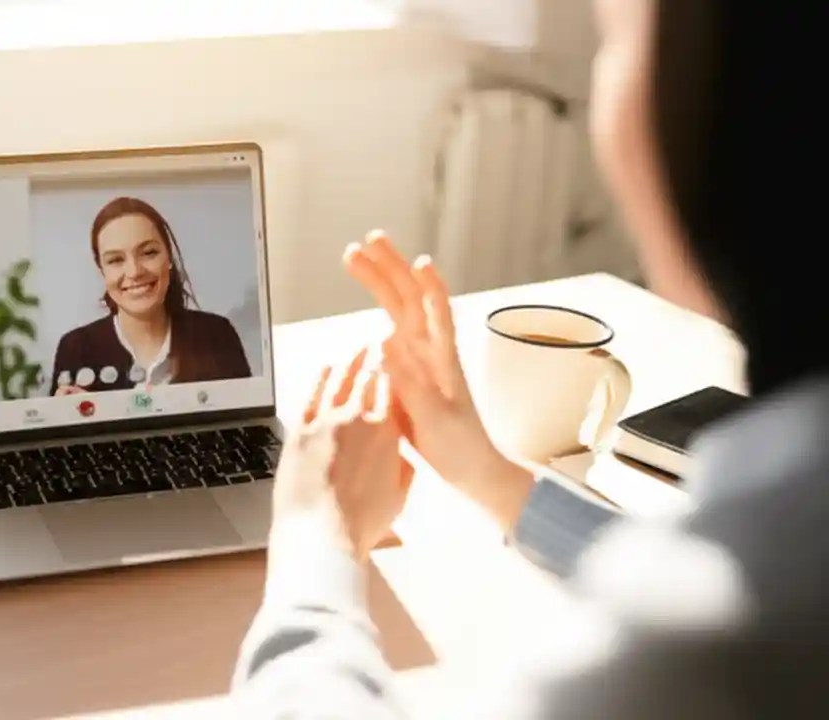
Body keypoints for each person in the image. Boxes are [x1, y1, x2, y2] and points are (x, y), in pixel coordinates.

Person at [233, 1, 826, 717]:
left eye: (615, 44)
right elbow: (699, 571)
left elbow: (715, 603)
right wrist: (493, 478)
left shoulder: (717, 647)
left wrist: (314, 545)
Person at [48, 196, 251, 396]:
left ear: (169, 257)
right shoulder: (76, 348)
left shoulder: (217, 335)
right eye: (116, 260)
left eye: (148, 253)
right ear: (102, 270)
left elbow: (245, 418)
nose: (134, 271)